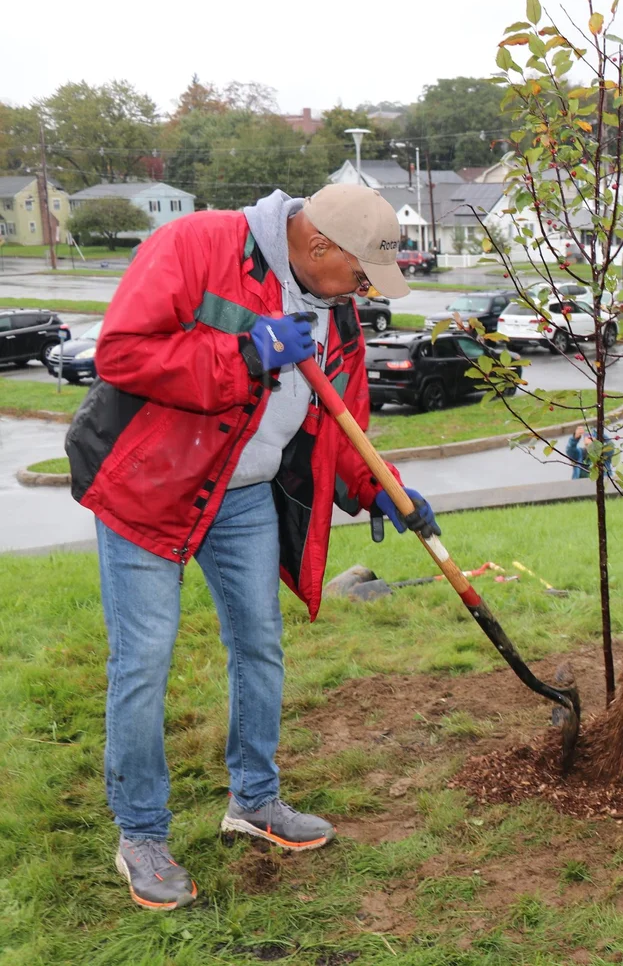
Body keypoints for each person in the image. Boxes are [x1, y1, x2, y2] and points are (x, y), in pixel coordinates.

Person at [65, 184, 442, 910]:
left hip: (243, 493)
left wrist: (380, 488)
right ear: (319, 244)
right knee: (144, 659)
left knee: (259, 643)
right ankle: (140, 834)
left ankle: (254, 800)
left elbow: (341, 416)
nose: (362, 290)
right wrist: (248, 350)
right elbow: (121, 354)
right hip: (151, 486)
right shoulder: (197, 246)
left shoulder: (336, 308)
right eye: (359, 273)